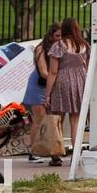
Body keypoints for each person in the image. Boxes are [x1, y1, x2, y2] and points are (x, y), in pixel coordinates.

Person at [46, 18, 91, 152]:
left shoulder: (59, 46)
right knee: (75, 120)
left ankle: (56, 153)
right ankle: (76, 154)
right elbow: (88, 68)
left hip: (62, 82)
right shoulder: (84, 45)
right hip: (80, 82)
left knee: (57, 119)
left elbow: (53, 71)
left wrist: (47, 94)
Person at [31, 24, 63, 165]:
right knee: (39, 119)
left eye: (61, 36)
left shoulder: (59, 47)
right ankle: (33, 152)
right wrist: (58, 79)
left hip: (50, 85)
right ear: (50, 35)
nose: (59, 39)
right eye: (57, 36)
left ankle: (51, 149)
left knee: (52, 119)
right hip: (38, 86)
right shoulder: (41, 48)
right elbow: (44, 72)